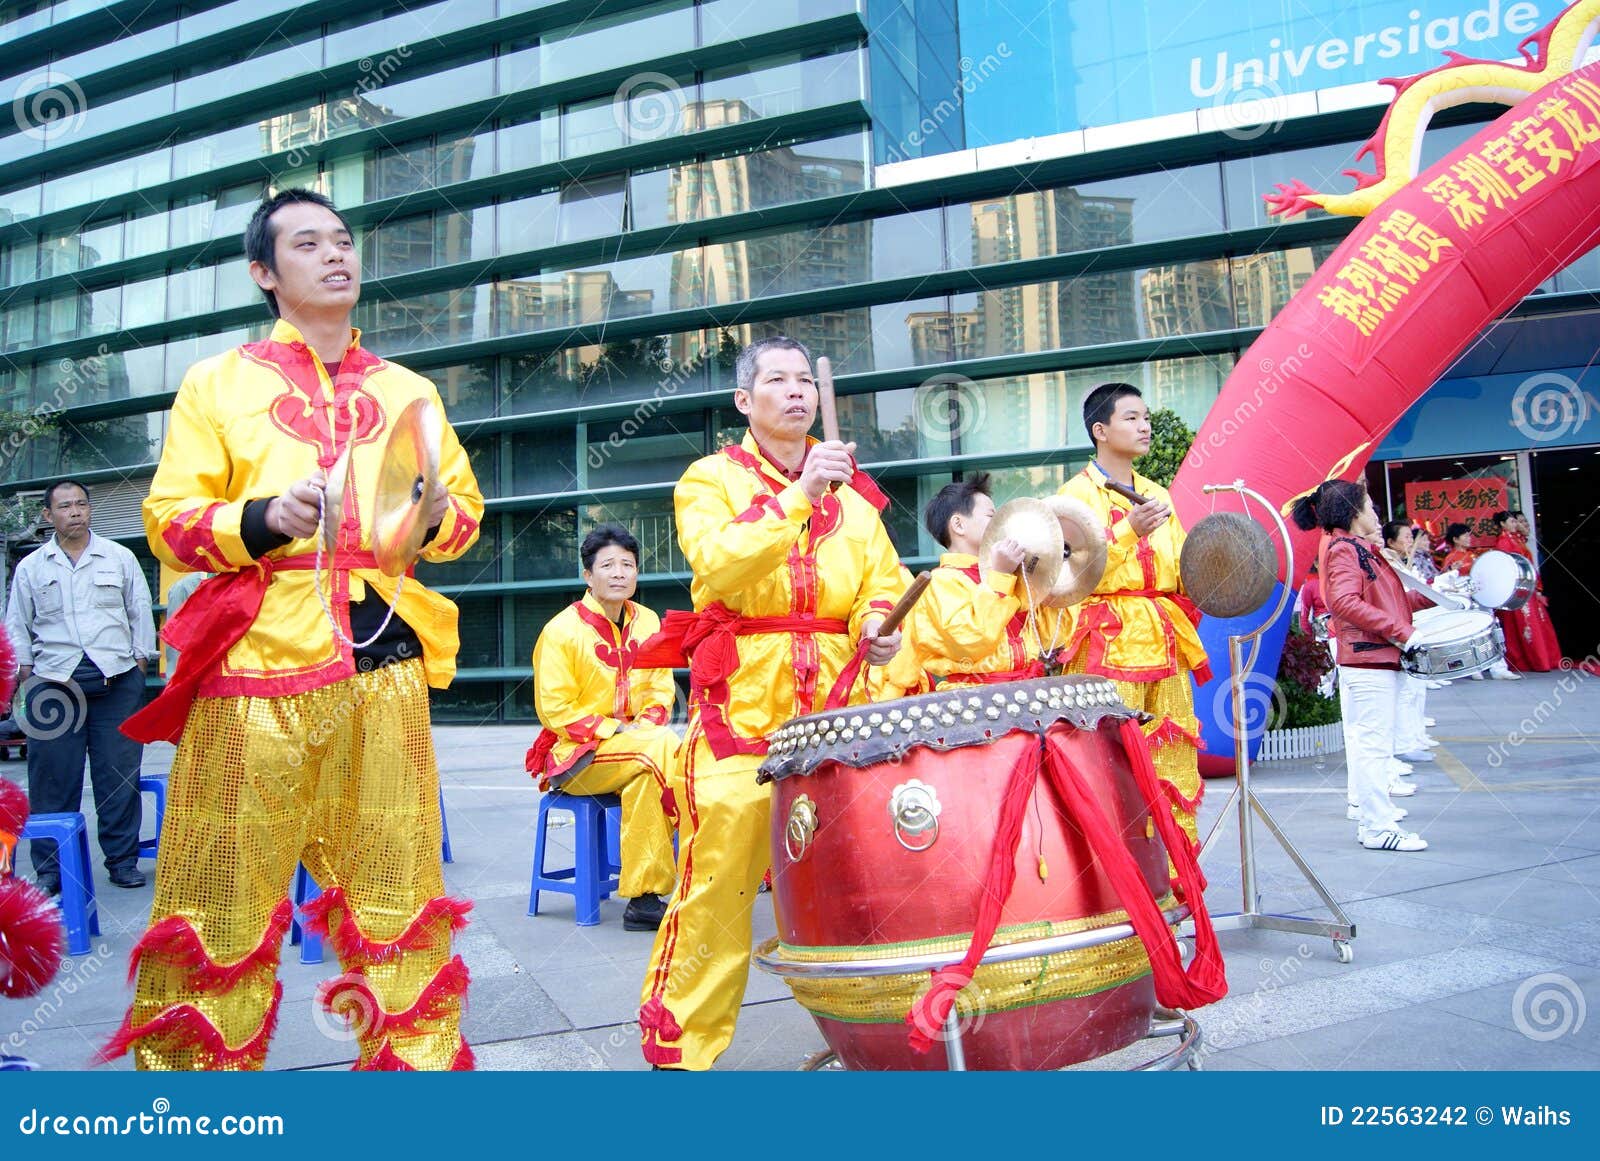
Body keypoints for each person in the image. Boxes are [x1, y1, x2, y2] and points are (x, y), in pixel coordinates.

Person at [101, 188, 484, 1072]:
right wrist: (267, 516)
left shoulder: (408, 390)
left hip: (379, 658)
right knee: (221, 904)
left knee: (399, 895)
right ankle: (198, 1103)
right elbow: (169, 520)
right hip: (249, 673)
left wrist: (424, 519)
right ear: (265, 274)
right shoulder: (217, 382)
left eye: (344, 240)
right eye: (308, 244)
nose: (336, 256)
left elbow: (463, 515)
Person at [634, 335, 903, 1070]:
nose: (796, 392)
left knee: (863, 880)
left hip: (837, 713)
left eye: (803, 381)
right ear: (744, 401)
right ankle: (681, 1054)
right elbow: (720, 561)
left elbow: (881, 576)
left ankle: (877, 1038)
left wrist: (876, 624)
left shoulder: (855, 493)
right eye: (776, 381)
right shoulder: (708, 479)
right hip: (741, 716)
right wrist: (800, 494)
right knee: (717, 887)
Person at [1056, 383, 1209, 847]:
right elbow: (1063, 577)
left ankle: (1179, 883)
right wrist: (1125, 532)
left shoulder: (1158, 494)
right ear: (1100, 430)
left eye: (1145, 417)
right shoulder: (1070, 497)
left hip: (1164, 636)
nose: (1144, 426)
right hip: (1108, 641)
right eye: (1131, 417)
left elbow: (1182, 565)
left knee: (1174, 760)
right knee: (1111, 762)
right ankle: (1117, 889)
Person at [4, 480, 157, 893]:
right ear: (48, 515)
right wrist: (25, 673)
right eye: (65, 506)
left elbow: (139, 611)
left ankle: (123, 861)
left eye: (82, 504)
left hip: (117, 678)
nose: (75, 512)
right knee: (52, 778)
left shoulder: (120, 557)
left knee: (119, 776)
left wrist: (140, 662)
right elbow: (17, 625)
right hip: (53, 686)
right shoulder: (32, 567)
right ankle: (52, 870)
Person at [527, 523, 679, 931]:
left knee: (649, 772)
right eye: (607, 565)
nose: (618, 573)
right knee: (664, 749)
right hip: (579, 758)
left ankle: (644, 901)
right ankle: (702, 864)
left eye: (627, 565)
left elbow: (660, 691)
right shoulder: (560, 632)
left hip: (640, 753)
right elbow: (555, 710)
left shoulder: (648, 621)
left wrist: (642, 728)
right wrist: (618, 731)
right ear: (587, 575)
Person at [1293, 481, 1433, 852]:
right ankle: (1377, 827)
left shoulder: (1357, 549)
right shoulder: (1345, 550)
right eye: (1370, 506)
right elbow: (1342, 601)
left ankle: (1375, 819)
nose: (1376, 513)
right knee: (1373, 746)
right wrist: (1402, 630)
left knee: (1370, 744)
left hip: (1371, 657)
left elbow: (1387, 602)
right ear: (1353, 514)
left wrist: (1437, 599)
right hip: (1369, 659)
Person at [882, 474, 1029, 696]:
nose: (1000, 523)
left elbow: (1047, 638)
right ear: (959, 525)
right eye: (991, 516)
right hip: (974, 701)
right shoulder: (941, 583)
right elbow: (969, 642)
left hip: (1027, 690)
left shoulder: (1008, 574)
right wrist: (999, 577)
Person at [1380, 520, 1438, 764]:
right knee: (1404, 693)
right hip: (1397, 633)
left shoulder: (1394, 561)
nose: (1409, 542)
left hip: (1409, 628)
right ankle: (1403, 744)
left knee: (1414, 689)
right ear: (1390, 541)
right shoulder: (1383, 562)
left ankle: (1413, 737)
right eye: (1405, 537)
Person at [1491, 510, 1562, 672]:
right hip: (1518, 589)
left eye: (1515, 522)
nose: (1515, 524)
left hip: (1526, 586)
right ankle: (1536, 661)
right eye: (1511, 522)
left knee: (1535, 623)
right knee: (1527, 625)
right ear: (1502, 524)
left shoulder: (1515, 539)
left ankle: (1543, 659)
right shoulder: (1503, 542)